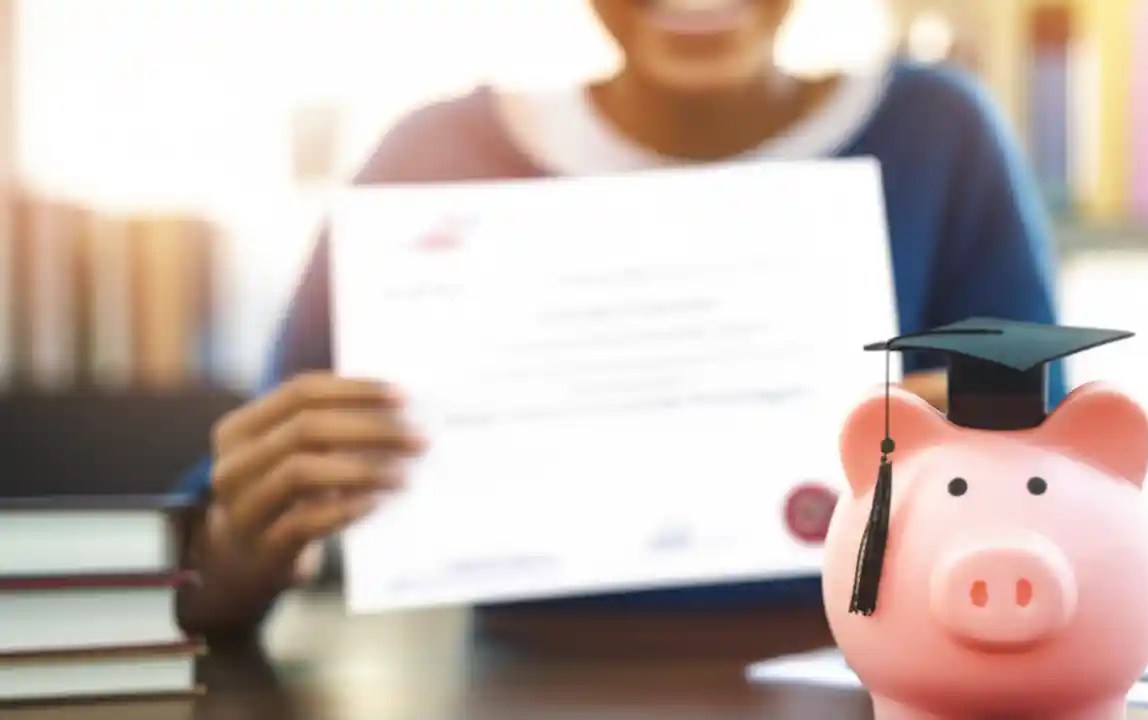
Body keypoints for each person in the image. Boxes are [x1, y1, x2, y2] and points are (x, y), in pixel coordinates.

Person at [175, 0, 1064, 638]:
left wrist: (991, 467)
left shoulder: (941, 138)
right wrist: (241, 539)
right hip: (521, 694)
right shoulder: (430, 156)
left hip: (878, 684)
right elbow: (213, 557)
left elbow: (1058, 493)